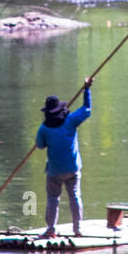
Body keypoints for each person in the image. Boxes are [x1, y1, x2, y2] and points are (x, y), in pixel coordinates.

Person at [35, 79, 92, 238]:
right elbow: (87, 109)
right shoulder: (71, 121)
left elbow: (39, 145)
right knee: (75, 195)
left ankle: (51, 229)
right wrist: (87, 89)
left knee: (53, 198)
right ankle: (77, 228)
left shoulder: (44, 128)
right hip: (73, 168)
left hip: (54, 171)